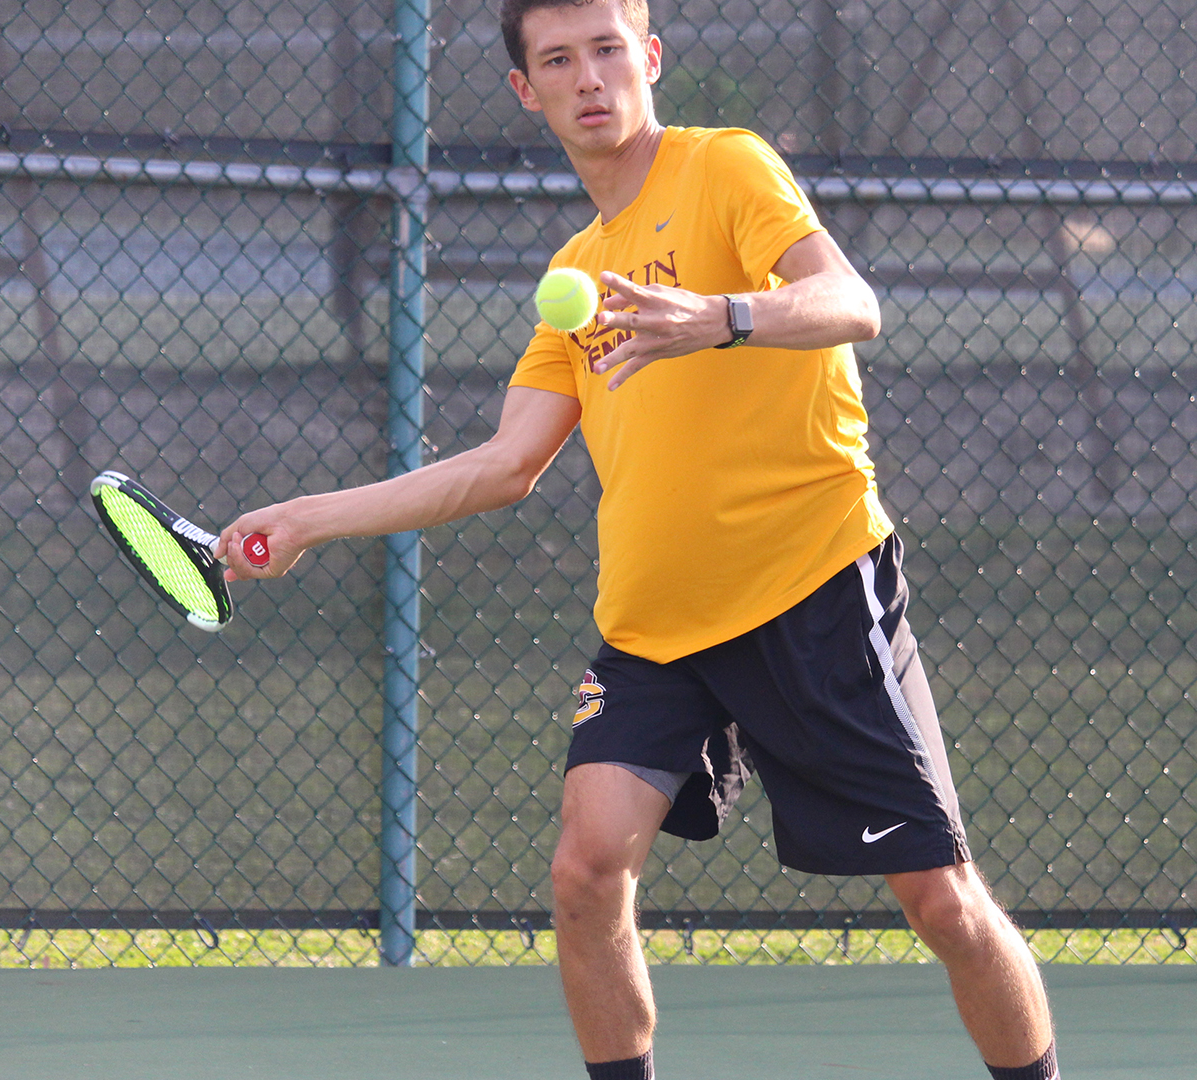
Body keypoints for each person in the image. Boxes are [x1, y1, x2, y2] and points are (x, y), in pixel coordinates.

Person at [215, 1, 1060, 1076]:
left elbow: (851, 301)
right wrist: (306, 522)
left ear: (649, 57)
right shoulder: (578, 271)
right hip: (657, 628)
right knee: (584, 868)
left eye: (608, 50)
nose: (589, 78)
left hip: (811, 590)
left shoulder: (729, 170)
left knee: (941, 903)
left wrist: (720, 317)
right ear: (528, 91)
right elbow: (503, 466)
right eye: (558, 60)